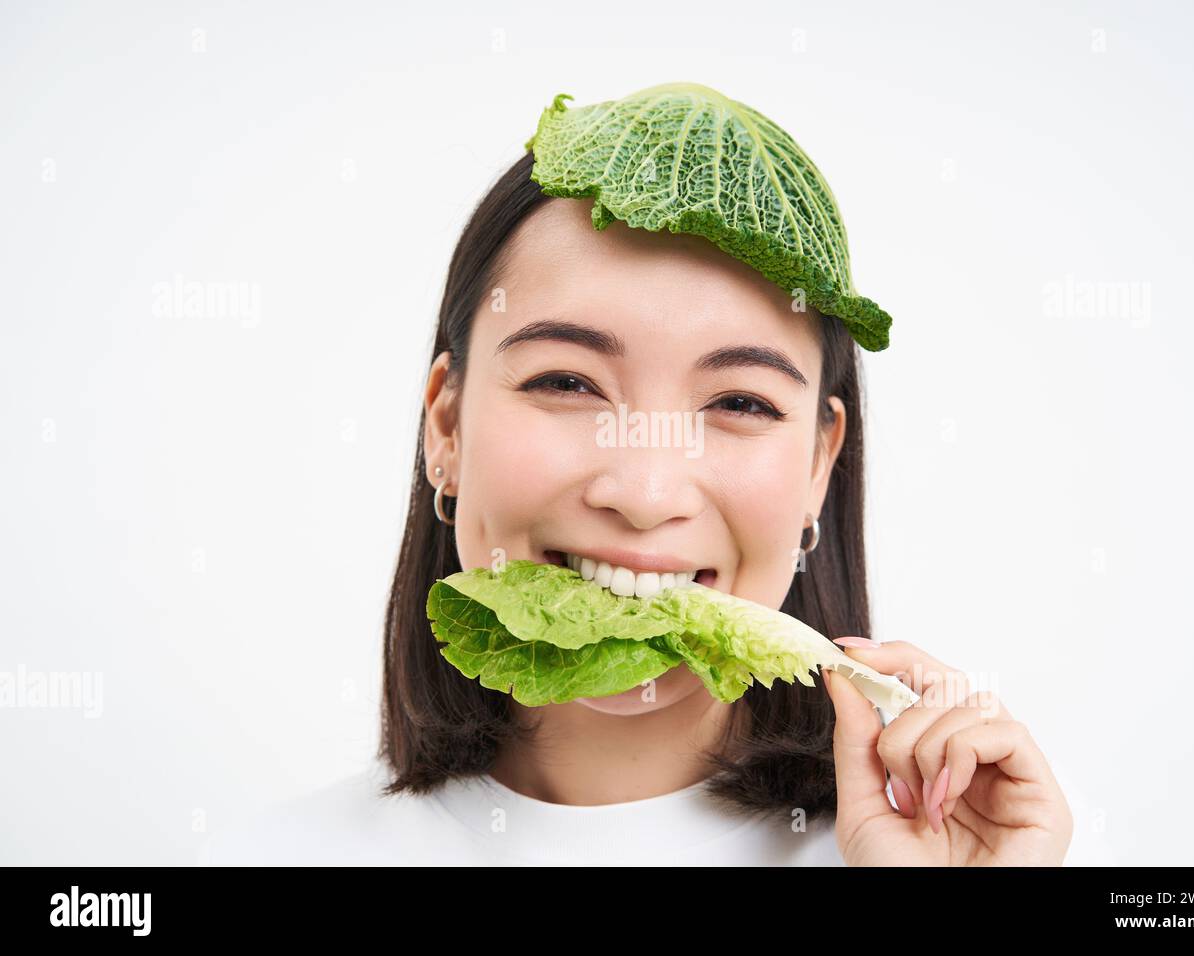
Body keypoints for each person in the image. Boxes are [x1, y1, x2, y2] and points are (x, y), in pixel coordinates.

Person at [200, 87, 1074, 866]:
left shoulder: (973, 854)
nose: (648, 493)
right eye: (567, 384)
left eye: (739, 402)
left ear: (819, 463)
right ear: (448, 424)